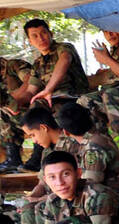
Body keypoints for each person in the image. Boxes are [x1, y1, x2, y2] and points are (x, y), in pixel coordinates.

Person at [23, 20, 90, 155]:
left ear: (51, 33)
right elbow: (31, 90)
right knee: (34, 108)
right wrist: (9, 103)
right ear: (30, 41)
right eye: (35, 36)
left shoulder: (64, 48)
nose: (41, 38)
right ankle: (41, 151)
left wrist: (48, 89)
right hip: (52, 101)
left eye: (44, 33)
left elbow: (64, 60)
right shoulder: (37, 64)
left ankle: (55, 152)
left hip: (74, 98)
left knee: (53, 110)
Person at [54, 101, 119, 204]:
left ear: (66, 132)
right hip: (106, 201)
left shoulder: (93, 146)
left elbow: (90, 183)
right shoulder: (95, 138)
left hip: (112, 204)